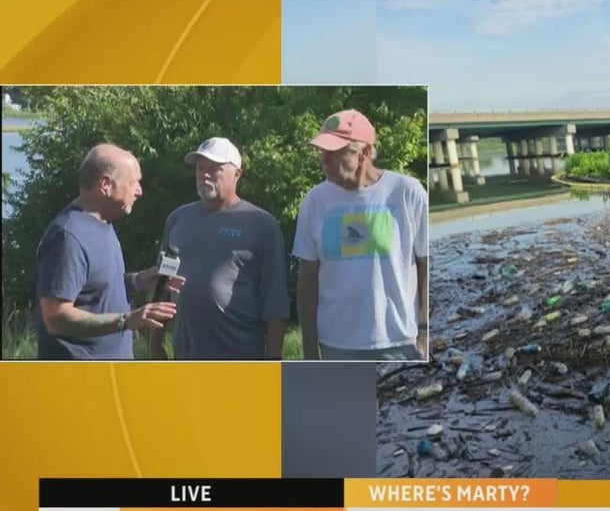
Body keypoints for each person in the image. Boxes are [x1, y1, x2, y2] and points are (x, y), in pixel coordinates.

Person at [293, 109, 429, 361]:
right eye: (322, 151)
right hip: (336, 346)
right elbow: (307, 279)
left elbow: (426, 266)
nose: (324, 159)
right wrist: (310, 350)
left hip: (399, 342)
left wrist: (425, 330)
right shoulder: (314, 201)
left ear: (364, 152)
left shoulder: (407, 193)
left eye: (334, 152)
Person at [34, 144, 182, 360]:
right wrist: (126, 321)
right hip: (79, 375)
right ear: (105, 185)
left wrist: (137, 281)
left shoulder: (103, 223)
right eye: (133, 183)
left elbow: (93, 291)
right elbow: (55, 317)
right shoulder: (68, 236)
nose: (139, 191)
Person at [149, 137, 290, 360]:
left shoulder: (260, 223)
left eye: (214, 168)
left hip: (241, 358)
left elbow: (275, 299)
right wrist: (155, 344)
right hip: (186, 358)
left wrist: (273, 360)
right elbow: (162, 286)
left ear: (237, 174)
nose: (205, 174)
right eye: (200, 168)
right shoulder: (178, 219)